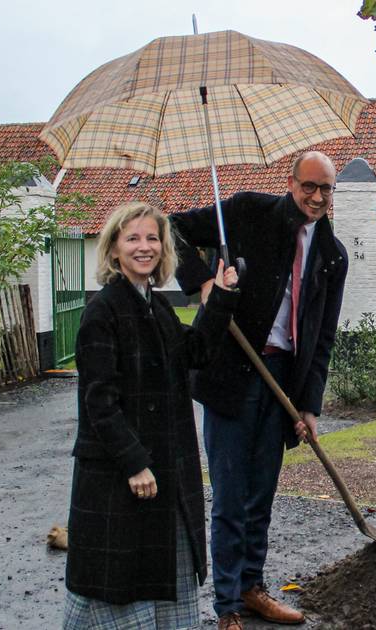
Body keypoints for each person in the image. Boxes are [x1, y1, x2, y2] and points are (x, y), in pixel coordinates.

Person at [169, 151, 348, 630]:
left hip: (281, 381)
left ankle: (252, 587)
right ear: (291, 183)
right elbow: (173, 228)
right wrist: (203, 282)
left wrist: (309, 405)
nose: (316, 196)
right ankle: (226, 606)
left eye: (325, 188)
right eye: (308, 185)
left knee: (261, 494)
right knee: (229, 494)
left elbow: (322, 336)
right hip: (232, 374)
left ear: (333, 193)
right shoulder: (248, 211)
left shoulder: (333, 256)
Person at [64, 202, 238, 629]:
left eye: (153, 238)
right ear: (114, 249)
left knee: (161, 580)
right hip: (122, 480)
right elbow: (99, 402)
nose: (145, 247)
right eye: (133, 238)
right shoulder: (102, 312)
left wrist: (221, 295)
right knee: (121, 587)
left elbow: (195, 351)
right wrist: (135, 462)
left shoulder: (156, 308)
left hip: (164, 476)